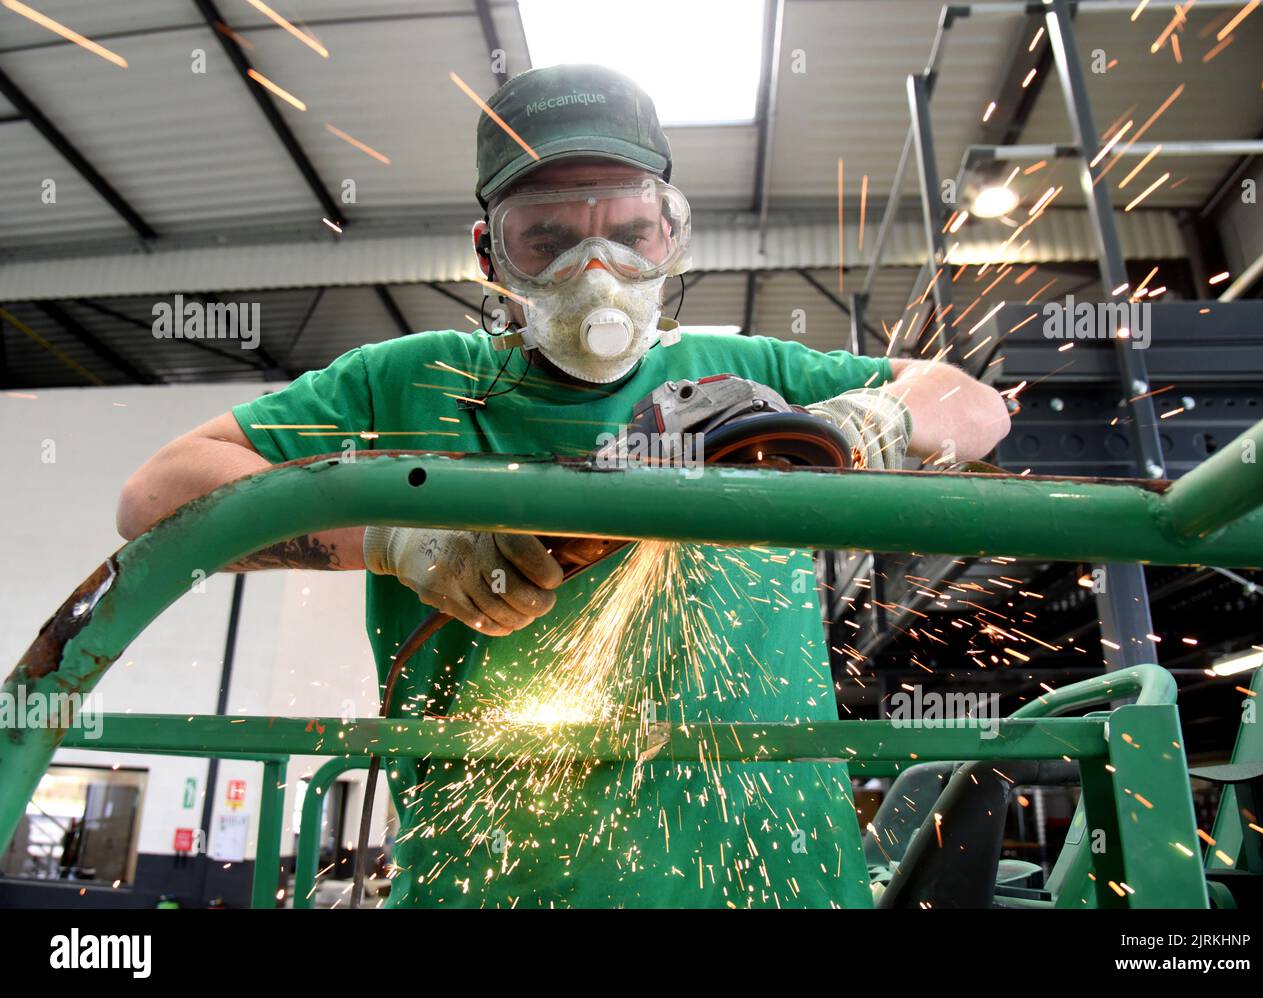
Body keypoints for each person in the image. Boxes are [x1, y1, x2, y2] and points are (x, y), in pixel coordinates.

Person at [117, 64, 1009, 908]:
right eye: (547, 237)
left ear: (671, 236)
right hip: (495, 875)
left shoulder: (755, 371)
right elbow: (155, 496)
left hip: (773, 872)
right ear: (489, 254)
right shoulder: (406, 380)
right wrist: (398, 539)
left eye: (629, 233)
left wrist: (873, 420)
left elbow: (971, 403)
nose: (595, 270)